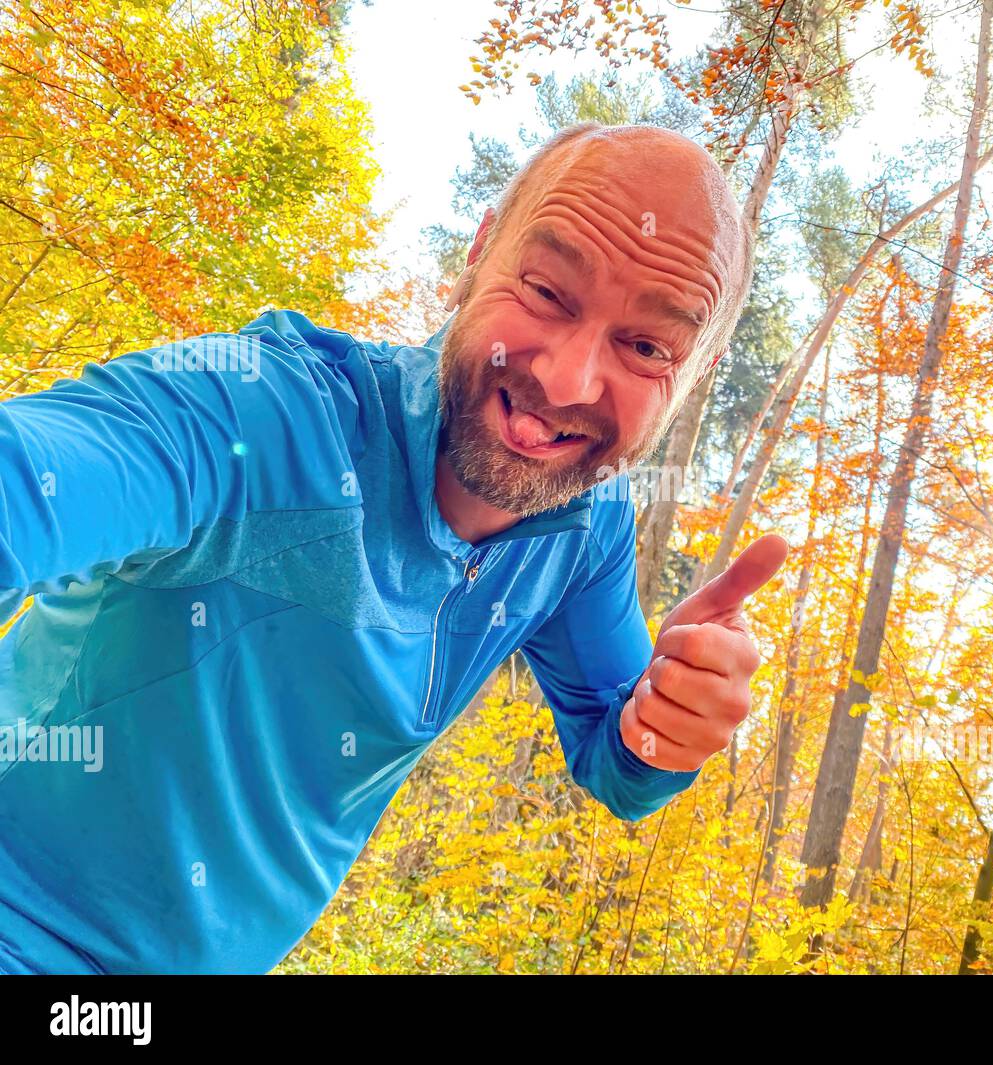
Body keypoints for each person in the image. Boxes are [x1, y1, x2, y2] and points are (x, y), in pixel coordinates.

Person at [0, 122, 787, 974]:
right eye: (548, 291)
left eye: (644, 346)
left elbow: (617, 759)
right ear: (478, 255)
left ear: (688, 378)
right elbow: (35, 479)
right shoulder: (270, 412)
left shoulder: (585, 528)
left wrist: (668, 732)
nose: (565, 380)